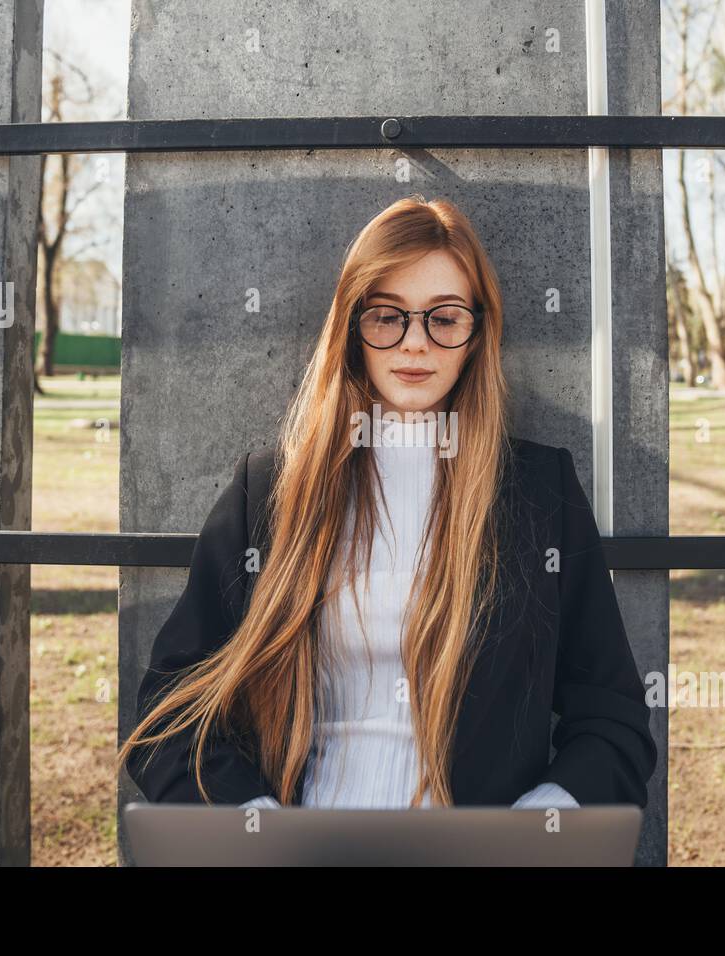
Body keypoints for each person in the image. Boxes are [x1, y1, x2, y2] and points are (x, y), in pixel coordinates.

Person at [118, 195, 657, 810]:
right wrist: (254, 823)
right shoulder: (269, 491)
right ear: (353, 329)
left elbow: (614, 720)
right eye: (387, 316)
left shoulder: (541, 491)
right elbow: (170, 714)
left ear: (478, 334)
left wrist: (540, 821)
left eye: (444, 318)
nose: (415, 345)